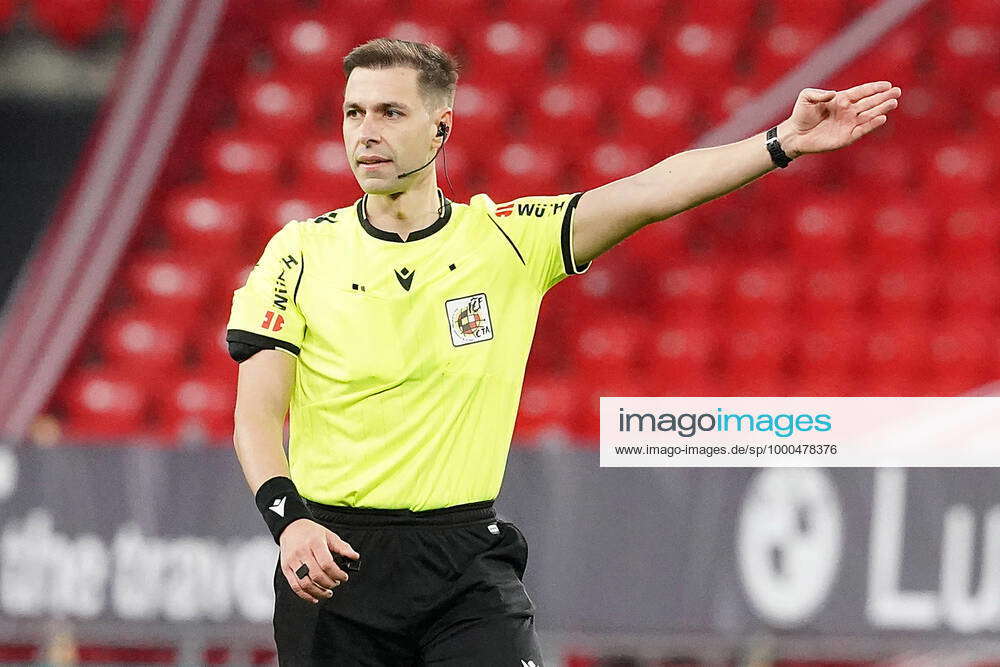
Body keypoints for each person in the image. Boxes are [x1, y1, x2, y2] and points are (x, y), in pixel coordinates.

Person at [226, 37, 901, 665]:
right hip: (333, 559)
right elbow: (258, 416)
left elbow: (649, 191)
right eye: (352, 112)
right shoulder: (299, 252)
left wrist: (780, 142)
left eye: (390, 111)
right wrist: (288, 522)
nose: (365, 131)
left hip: (462, 564)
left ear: (441, 128)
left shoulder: (508, 241)